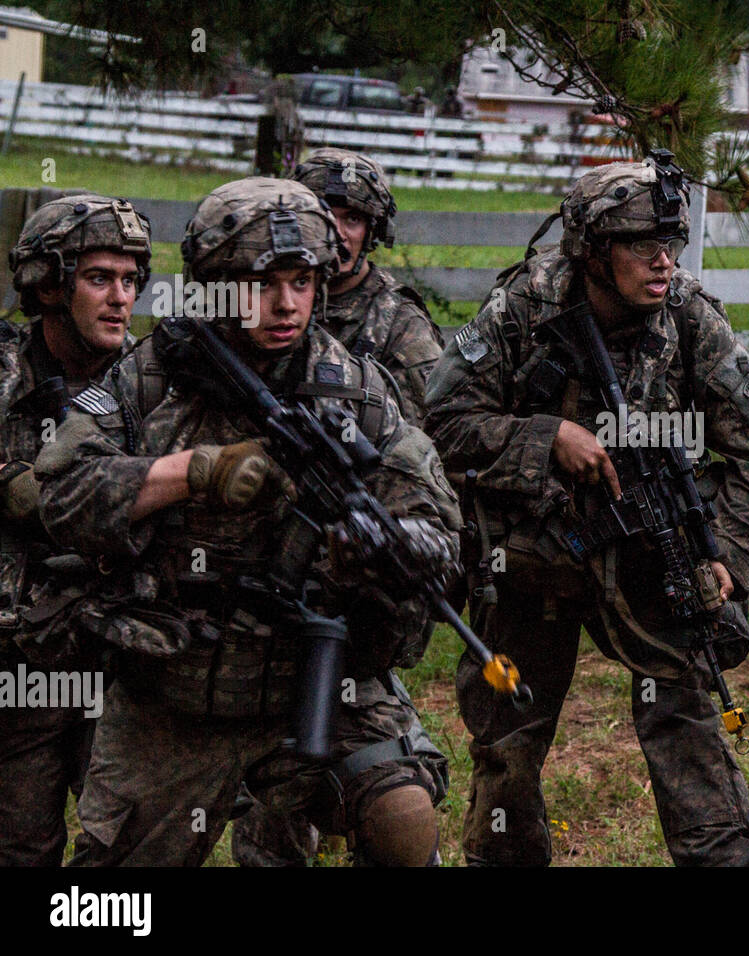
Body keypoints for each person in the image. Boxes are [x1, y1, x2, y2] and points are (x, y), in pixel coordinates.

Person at [34, 177, 461, 867]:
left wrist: (392, 548)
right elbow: (62, 495)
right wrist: (190, 471)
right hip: (176, 690)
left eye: (302, 280)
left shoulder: (354, 387)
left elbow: (436, 523)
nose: (287, 303)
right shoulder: (148, 380)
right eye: (263, 283)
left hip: (315, 676)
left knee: (403, 817)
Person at [424, 154, 749, 866]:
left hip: (656, 555)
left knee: (686, 718)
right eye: (641, 244)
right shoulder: (526, 305)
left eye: (671, 244)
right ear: (592, 250)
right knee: (509, 740)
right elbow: (439, 418)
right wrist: (545, 438)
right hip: (534, 559)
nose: (663, 261)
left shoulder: (690, 318)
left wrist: (729, 562)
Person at [229, 147, 446, 867]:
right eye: (326, 211)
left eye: (353, 215)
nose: (338, 226)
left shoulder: (399, 330)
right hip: (247, 577)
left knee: (387, 793)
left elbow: (428, 452)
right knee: (270, 812)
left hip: (354, 567)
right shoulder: (229, 322)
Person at [0, 194, 150, 865]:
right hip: (20, 659)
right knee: (22, 844)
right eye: (99, 279)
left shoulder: (153, 383)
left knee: (123, 848)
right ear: (50, 286)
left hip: (124, 657)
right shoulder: (6, 374)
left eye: (130, 280)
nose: (120, 298)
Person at [289, 147, 443, 421]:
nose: (337, 234)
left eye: (353, 219)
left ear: (373, 231)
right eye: (323, 215)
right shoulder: (271, 299)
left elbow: (424, 430)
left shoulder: (399, 322)